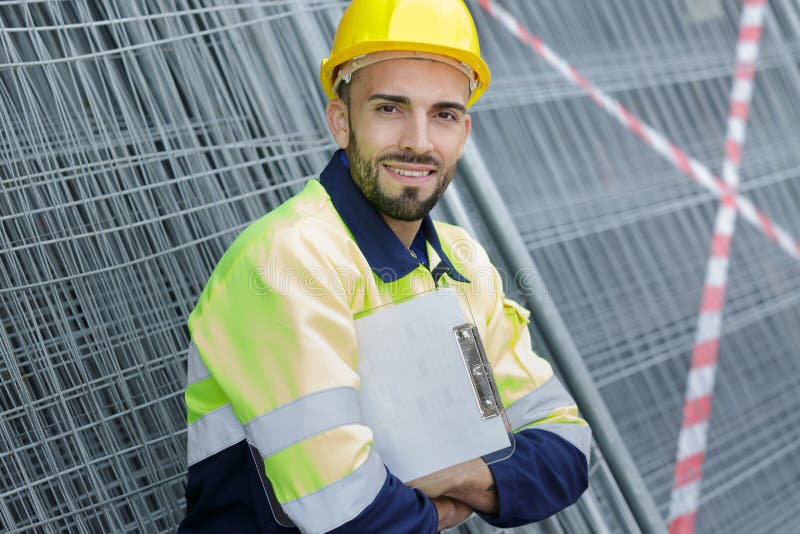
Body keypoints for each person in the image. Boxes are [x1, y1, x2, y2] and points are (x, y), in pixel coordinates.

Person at [179, 1, 591, 532]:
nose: (419, 142)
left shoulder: (461, 260)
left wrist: (463, 480)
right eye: (390, 108)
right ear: (341, 122)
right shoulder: (287, 261)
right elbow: (351, 514)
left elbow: (567, 443)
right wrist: (458, 501)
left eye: (443, 114)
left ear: (463, 134)